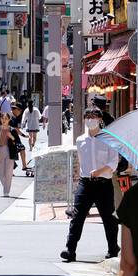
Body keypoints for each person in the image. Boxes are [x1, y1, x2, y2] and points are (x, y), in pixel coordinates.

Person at [60, 103, 119, 262]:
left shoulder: (109, 139)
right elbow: (80, 160)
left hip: (103, 183)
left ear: (100, 119)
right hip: (85, 184)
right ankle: (70, 249)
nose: (90, 120)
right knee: (77, 217)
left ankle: (113, 248)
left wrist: (99, 171)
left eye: (93, 117)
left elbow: (114, 162)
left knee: (108, 217)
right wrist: (79, 175)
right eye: (87, 117)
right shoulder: (80, 140)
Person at [0, 111, 21, 197]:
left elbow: (18, 142)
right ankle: (6, 187)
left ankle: (6, 191)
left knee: (8, 172)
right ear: (0, 119)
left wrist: (12, 137)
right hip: (0, 151)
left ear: (9, 120)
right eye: (2, 118)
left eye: (6, 118)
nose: (4, 120)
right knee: (0, 173)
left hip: (10, 151)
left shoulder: (12, 130)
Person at [20, 99, 41, 175]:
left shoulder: (26, 110)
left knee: (30, 136)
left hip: (29, 124)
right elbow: (39, 117)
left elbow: (24, 118)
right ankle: (33, 145)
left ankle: (30, 147)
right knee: (34, 137)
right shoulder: (36, 109)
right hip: (35, 124)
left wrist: (22, 125)